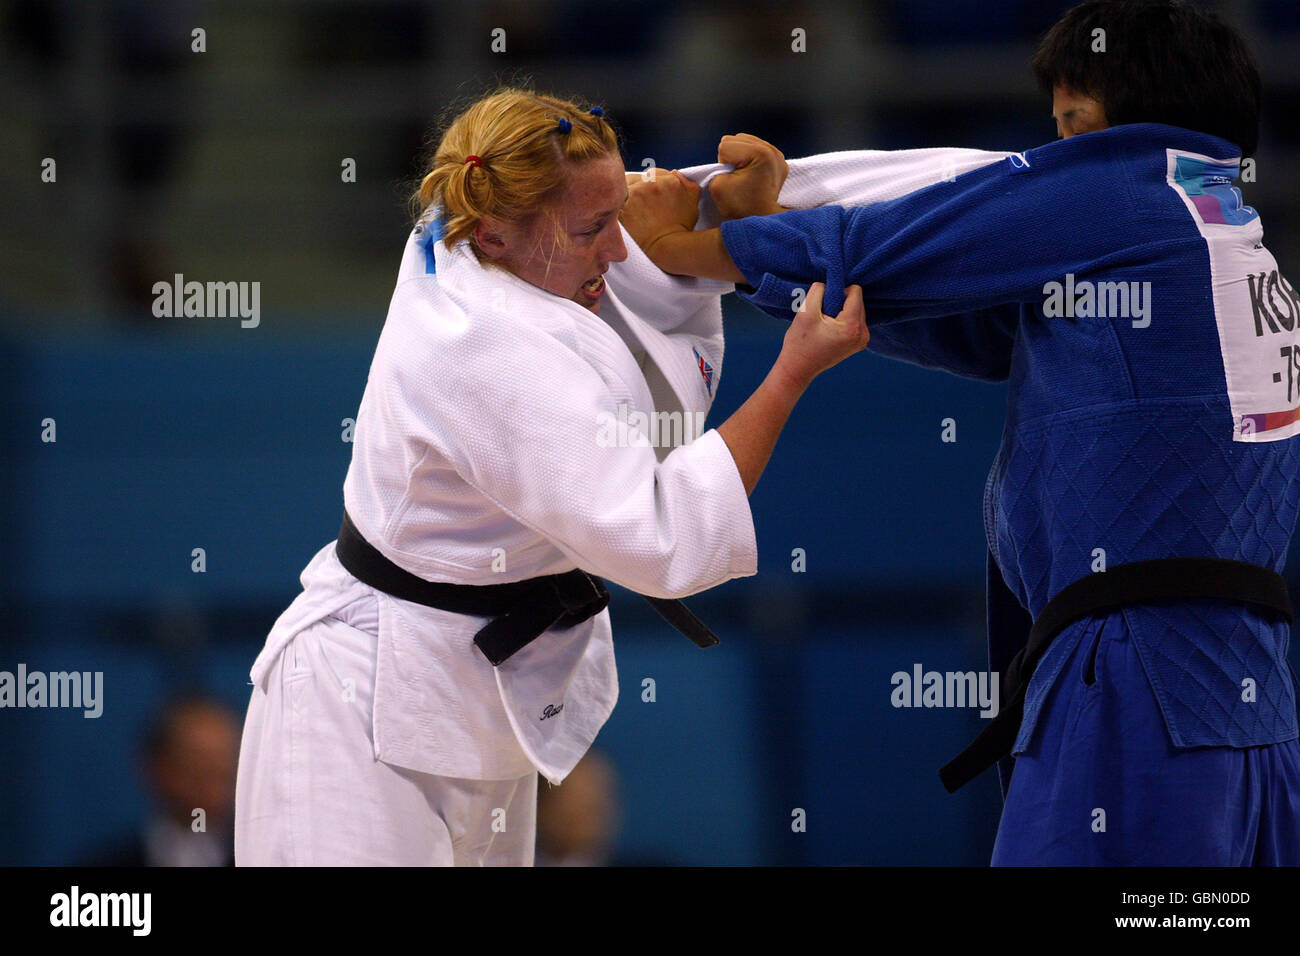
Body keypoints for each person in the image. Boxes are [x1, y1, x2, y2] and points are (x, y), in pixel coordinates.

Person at [623, 0, 1300, 865]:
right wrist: (771, 264)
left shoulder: (1133, 185)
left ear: (1134, 129)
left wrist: (687, 245)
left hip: (1140, 691)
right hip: (1247, 708)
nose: (1052, 156)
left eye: (1071, 127)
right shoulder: (1226, 243)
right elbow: (987, 329)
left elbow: (887, 243)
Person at [233, 87, 869, 866]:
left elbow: (610, 211)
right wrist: (791, 375)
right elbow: (665, 539)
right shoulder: (488, 349)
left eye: (613, 212)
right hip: (358, 706)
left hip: (472, 694)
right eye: (594, 230)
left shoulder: (474, 217)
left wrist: (712, 206)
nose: (616, 249)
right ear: (495, 235)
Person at [84, 694, 239, 867]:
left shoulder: (257, 859)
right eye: (196, 763)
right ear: (158, 767)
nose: (211, 780)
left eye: (222, 763)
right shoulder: (108, 862)